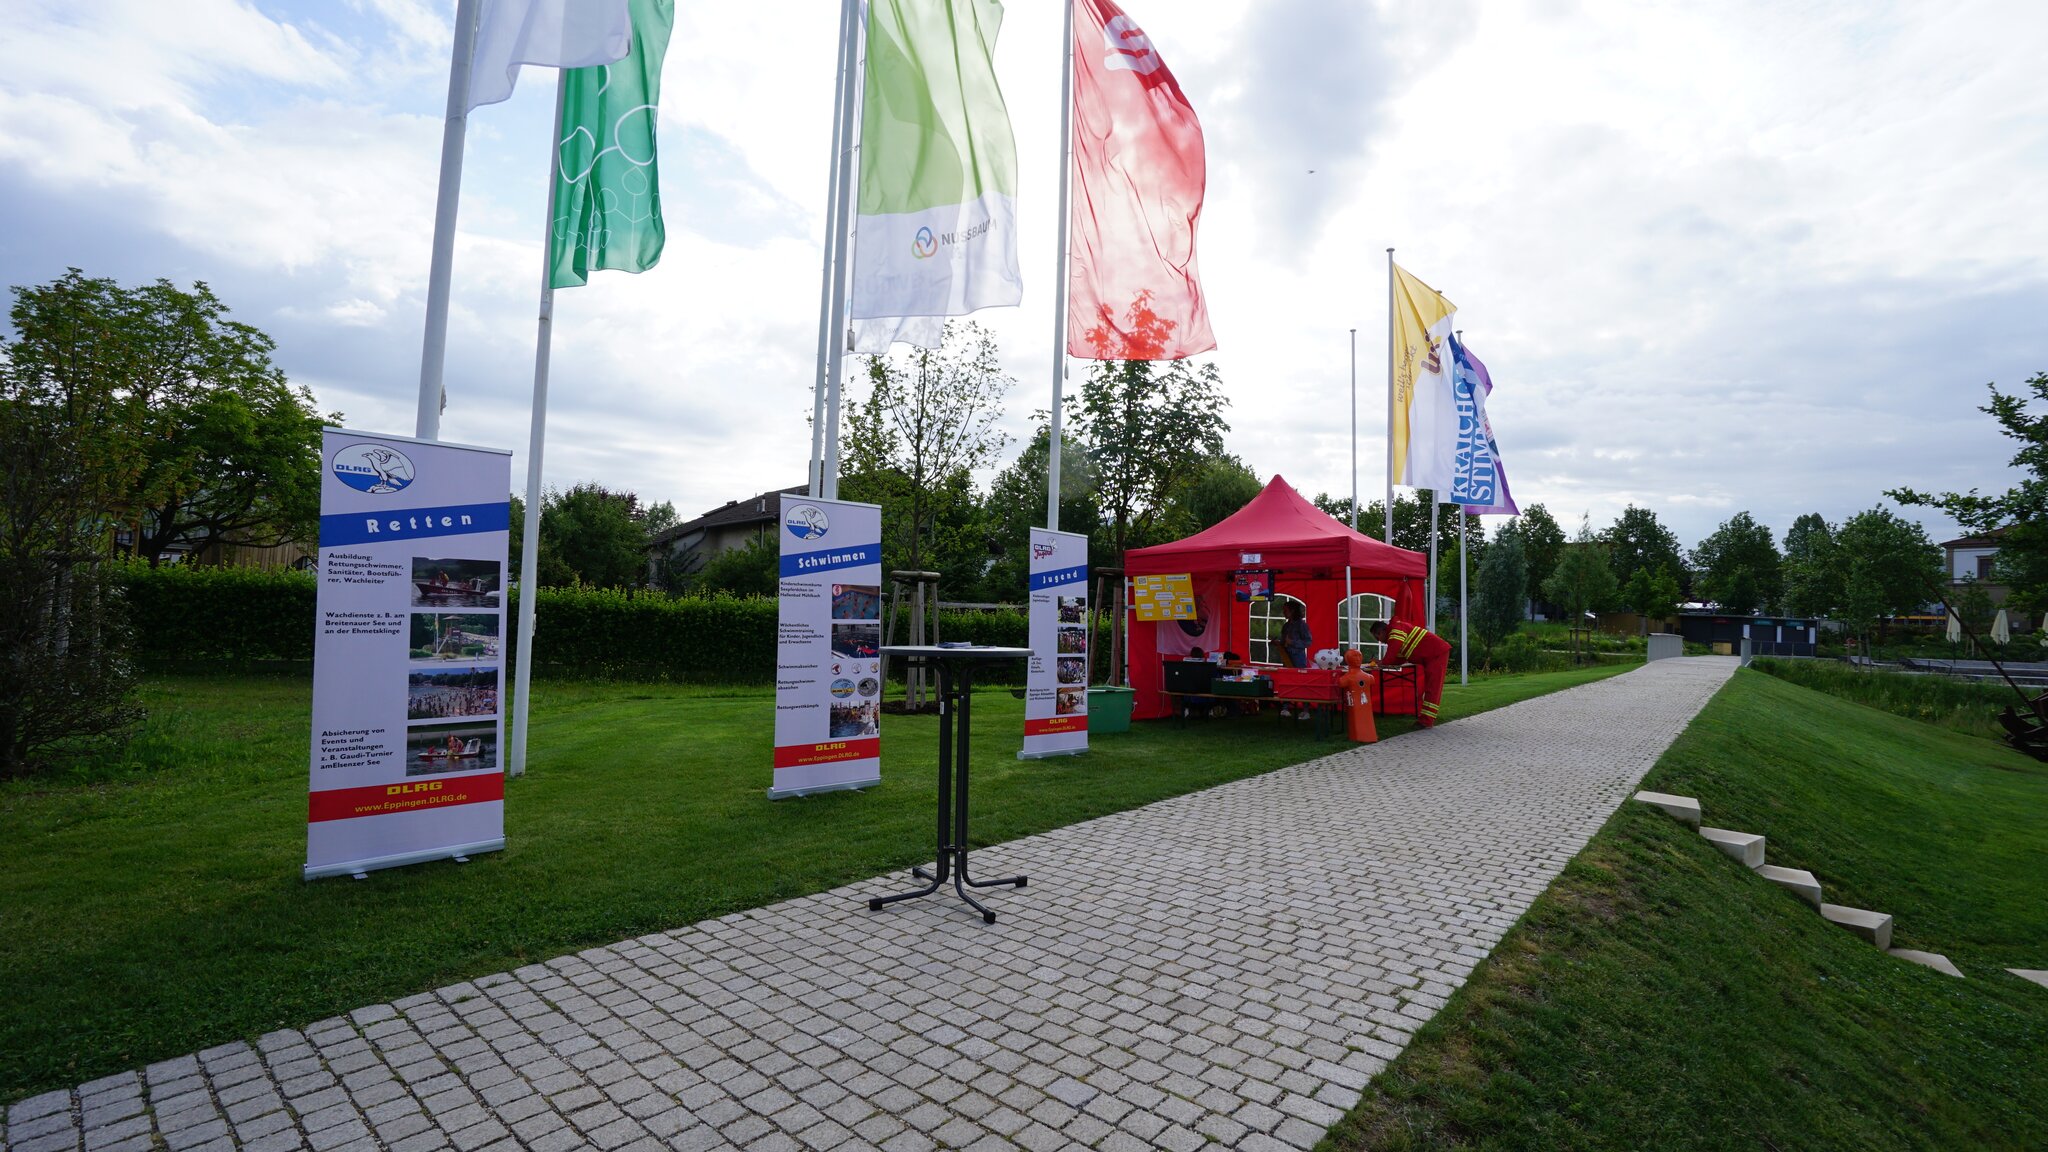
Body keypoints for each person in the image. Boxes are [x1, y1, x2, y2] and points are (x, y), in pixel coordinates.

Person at [1371, 617, 1452, 727]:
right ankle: (1426, 719)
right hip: (1433, 655)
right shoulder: (1397, 631)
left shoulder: (1396, 630)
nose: (1379, 641)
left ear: (1382, 631)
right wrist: (1383, 662)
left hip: (1436, 654)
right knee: (1431, 687)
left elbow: (1393, 653)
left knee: (1432, 688)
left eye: (1378, 637)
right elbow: (1398, 659)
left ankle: (1426, 721)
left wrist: (1383, 662)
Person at [1280, 602, 1313, 669]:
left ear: (1292, 611)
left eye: (1285, 610)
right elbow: (1284, 641)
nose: (1283, 612)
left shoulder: (1301, 625)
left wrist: (1292, 642)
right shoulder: (1286, 626)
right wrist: (1277, 643)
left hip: (1298, 659)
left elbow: (1308, 642)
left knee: (1298, 678)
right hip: (1286, 657)